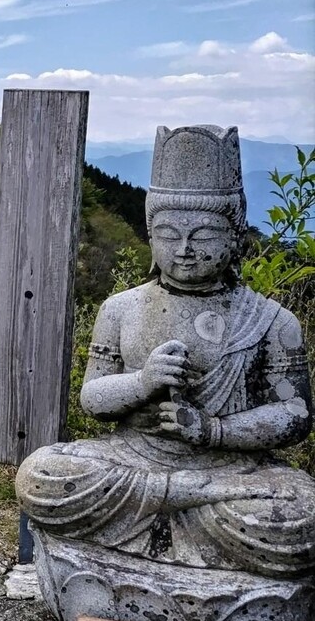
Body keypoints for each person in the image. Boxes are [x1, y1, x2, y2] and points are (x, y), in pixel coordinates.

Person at [16, 125, 314, 579]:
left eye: (205, 235)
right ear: (151, 235)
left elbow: (294, 413)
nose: (185, 250)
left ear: (235, 237)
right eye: (169, 234)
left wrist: (214, 430)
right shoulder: (121, 309)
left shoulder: (271, 320)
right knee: (41, 474)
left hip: (229, 472)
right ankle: (179, 498)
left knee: (301, 516)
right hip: (134, 459)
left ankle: (172, 507)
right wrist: (142, 382)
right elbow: (92, 398)